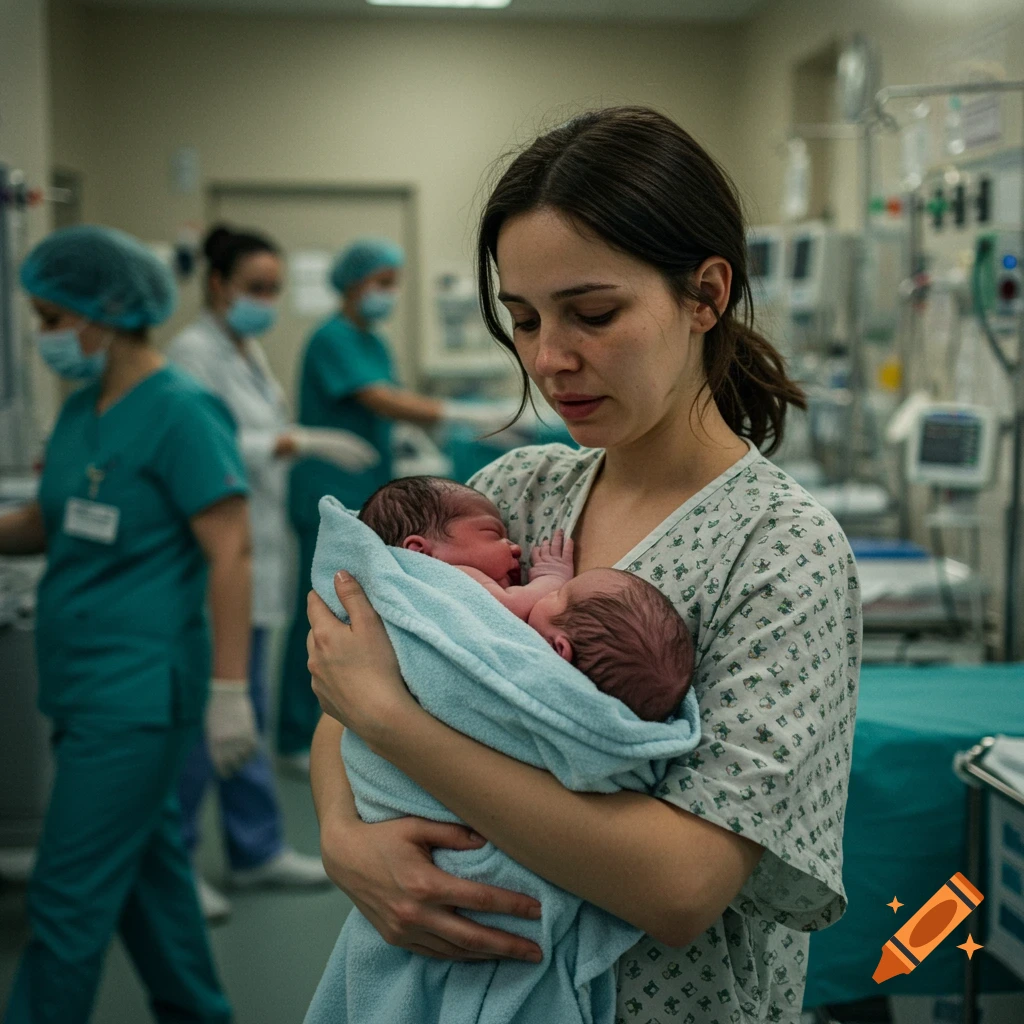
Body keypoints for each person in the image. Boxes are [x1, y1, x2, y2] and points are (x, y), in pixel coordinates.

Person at [303, 107, 862, 1023]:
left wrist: (399, 731)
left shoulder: (779, 549)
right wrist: (340, 841)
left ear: (706, 294)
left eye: (592, 314)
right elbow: (354, 686)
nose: (550, 359)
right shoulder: (508, 499)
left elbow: (680, 886)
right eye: (522, 320)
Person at [1, 225, 256, 1023]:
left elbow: (232, 550)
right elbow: (57, 521)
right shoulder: (82, 411)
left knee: (67, 897)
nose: (45, 337)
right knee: (152, 883)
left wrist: (228, 689)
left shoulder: (182, 412)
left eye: (50, 319)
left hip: (139, 694)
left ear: (103, 312)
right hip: (85, 686)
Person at [168, 225, 371, 921]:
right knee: (211, 717)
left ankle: (254, 850)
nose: (267, 301)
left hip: (256, 548)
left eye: (275, 289)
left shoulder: (243, 347)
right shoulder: (190, 355)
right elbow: (208, 442)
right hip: (215, 555)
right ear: (217, 283)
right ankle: (179, 859)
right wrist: (297, 439)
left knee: (244, 709)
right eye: (255, 288)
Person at [278, 238, 517, 768]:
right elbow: (381, 399)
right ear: (353, 284)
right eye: (380, 283)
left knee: (350, 609)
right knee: (317, 610)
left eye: (393, 284)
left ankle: (336, 715)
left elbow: (391, 404)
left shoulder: (373, 340)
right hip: (326, 485)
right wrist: (458, 413)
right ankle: (296, 732)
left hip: (366, 480)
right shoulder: (331, 338)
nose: (387, 294)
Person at [358, 475, 693, 720]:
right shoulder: (440, 577)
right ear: (420, 551)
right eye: (493, 534)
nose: (516, 547)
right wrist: (551, 579)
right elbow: (508, 607)